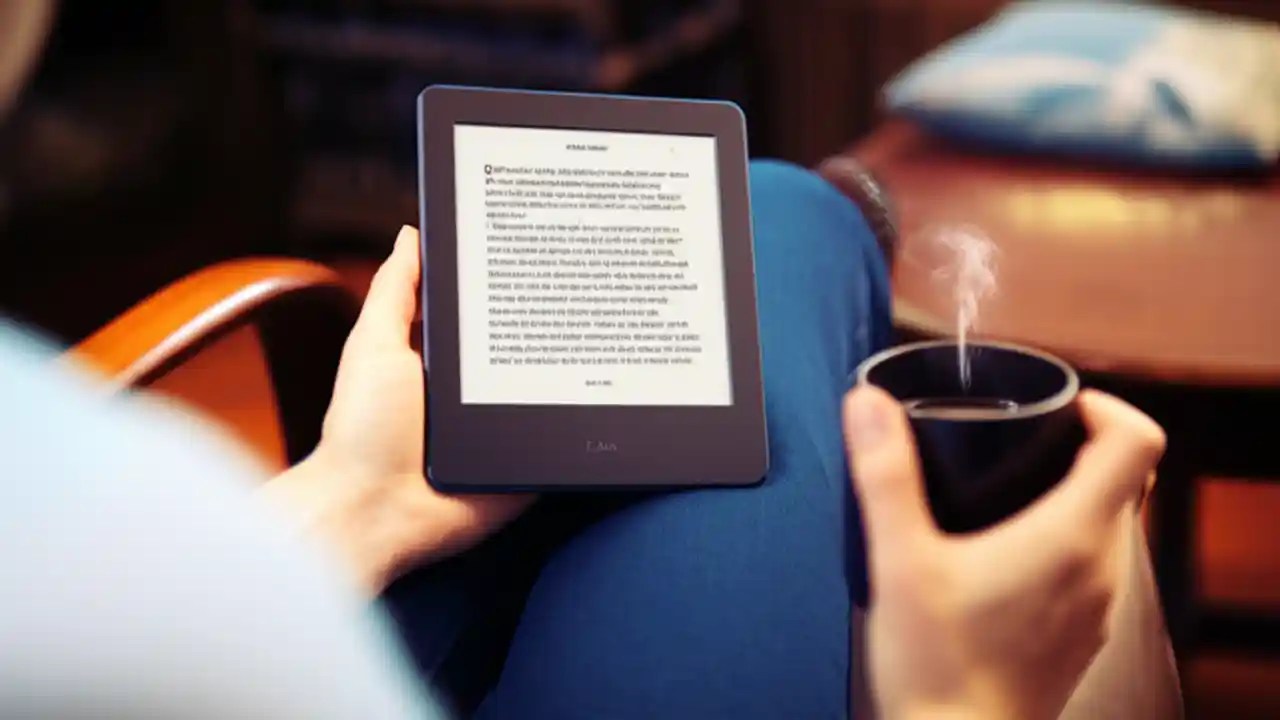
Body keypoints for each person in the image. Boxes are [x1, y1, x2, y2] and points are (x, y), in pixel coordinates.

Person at [0, 159, 1167, 719]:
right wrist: (960, 708)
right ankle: (824, 233)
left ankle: (810, 231)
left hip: (313, 583)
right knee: (768, 243)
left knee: (708, 326)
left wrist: (355, 502)